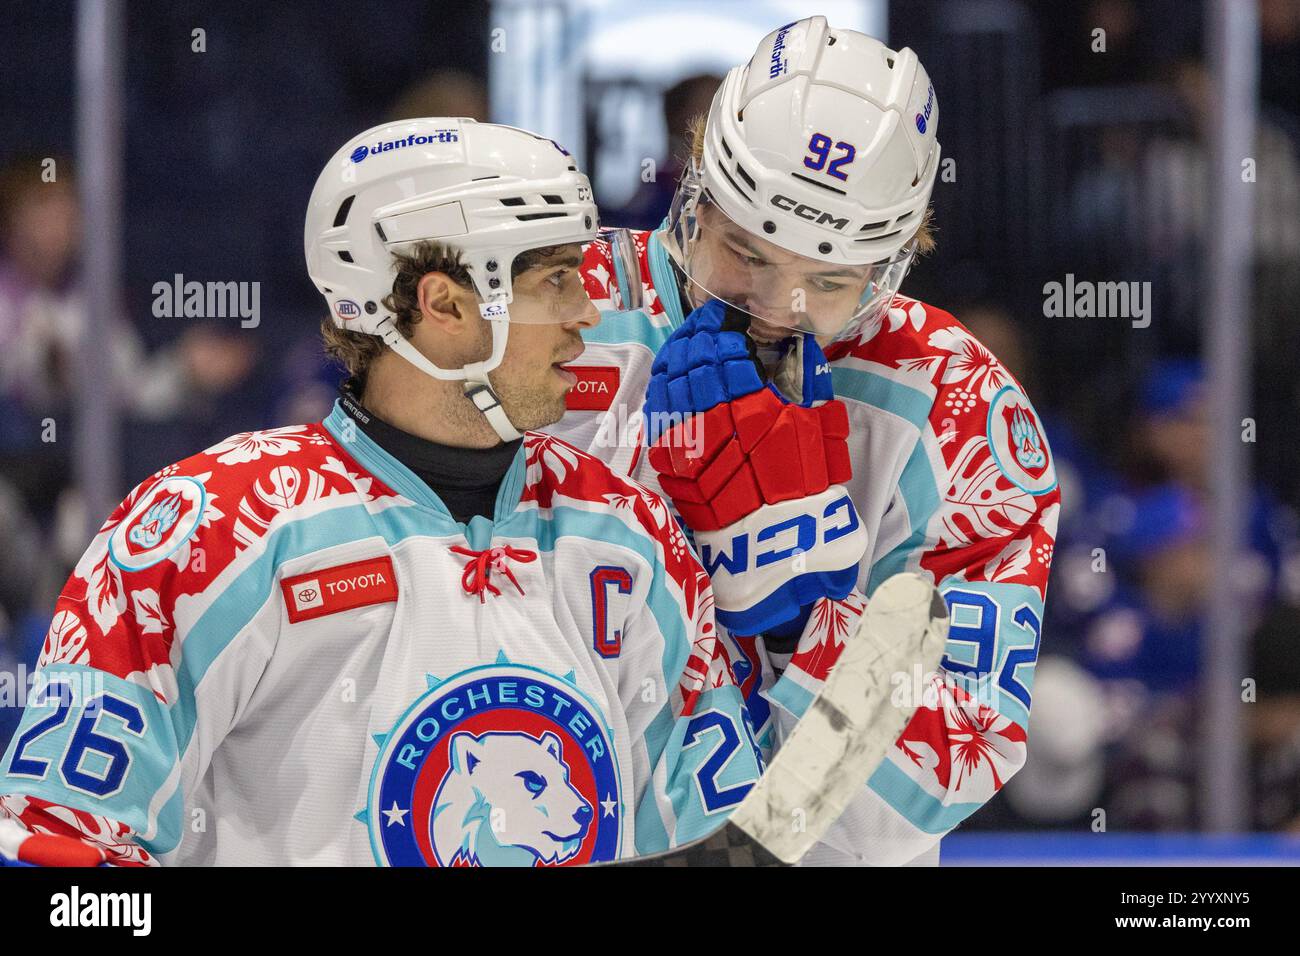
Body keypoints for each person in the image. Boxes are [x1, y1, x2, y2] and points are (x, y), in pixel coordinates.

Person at [0, 118, 761, 866]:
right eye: (555, 280)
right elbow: (58, 856)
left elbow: (715, 846)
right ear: (445, 304)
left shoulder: (630, 535)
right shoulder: (211, 531)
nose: (588, 313)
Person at [547, 17, 1060, 865]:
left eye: (826, 279)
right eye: (745, 253)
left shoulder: (959, 408)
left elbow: (938, 780)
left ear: (893, 264)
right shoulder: (554, 310)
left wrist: (800, 616)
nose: (775, 310)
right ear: (693, 198)